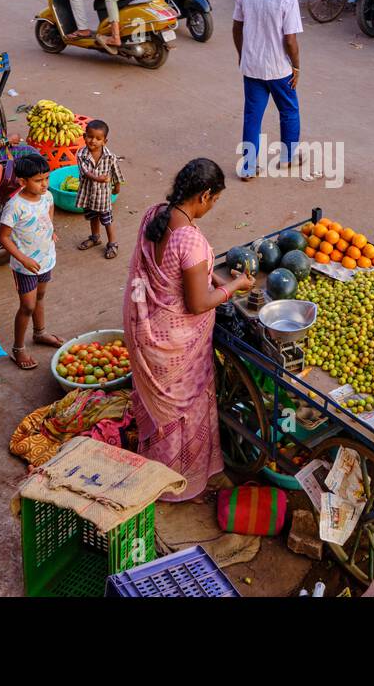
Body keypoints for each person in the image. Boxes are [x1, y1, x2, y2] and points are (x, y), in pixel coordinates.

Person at [122, 158, 254, 501]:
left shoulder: (155, 215)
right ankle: (177, 482)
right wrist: (234, 286)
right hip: (177, 346)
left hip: (149, 332)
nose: (213, 207)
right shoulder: (191, 242)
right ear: (205, 195)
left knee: (161, 412)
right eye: (215, 201)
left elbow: (178, 273)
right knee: (184, 413)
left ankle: (155, 465)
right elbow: (197, 303)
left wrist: (216, 277)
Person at [233, 0, 303, 182]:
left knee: (252, 115)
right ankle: (288, 157)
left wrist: (242, 54)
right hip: (279, 68)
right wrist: (296, 67)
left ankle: (249, 167)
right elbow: (290, 40)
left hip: (252, 66)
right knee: (289, 111)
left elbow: (237, 28)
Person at [0, 153, 64, 371]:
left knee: (41, 297)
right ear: (22, 181)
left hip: (46, 258)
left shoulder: (47, 197)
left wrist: (50, 230)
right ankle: (18, 348)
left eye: (46, 178)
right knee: (27, 306)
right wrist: (23, 258)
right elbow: (4, 237)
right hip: (25, 266)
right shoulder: (15, 206)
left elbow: (49, 211)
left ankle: (39, 333)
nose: (44, 184)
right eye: (38, 180)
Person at [76, 119, 125, 260]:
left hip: (103, 196)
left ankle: (112, 243)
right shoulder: (81, 154)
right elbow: (85, 172)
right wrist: (99, 179)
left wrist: (117, 186)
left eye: (98, 138)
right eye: (90, 137)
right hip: (88, 193)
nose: (93, 141)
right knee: (93, 217)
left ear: (105, 141)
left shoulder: (110, 157)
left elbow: (116, 172)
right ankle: (95, 237)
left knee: (107, 219)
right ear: (84, 137)